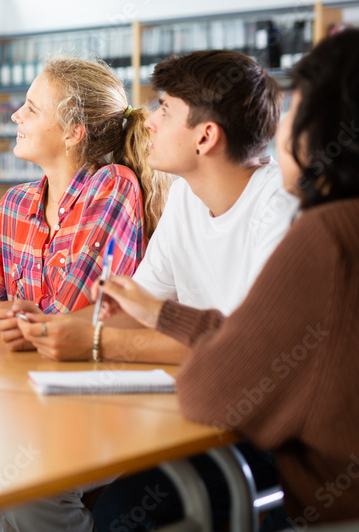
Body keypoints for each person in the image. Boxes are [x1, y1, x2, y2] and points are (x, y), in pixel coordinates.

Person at [93, 28, 359, 530]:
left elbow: (216, 388)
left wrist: (131, 335)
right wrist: (157, 319)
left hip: (316, 488)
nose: (277, 133)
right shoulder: (332, 227)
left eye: (293, 114)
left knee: (122, 508)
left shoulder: (323, 233)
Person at [20, 49, 296, 364]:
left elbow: (249, 345)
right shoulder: (184, 197)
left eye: (164, 110)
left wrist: (98, 343)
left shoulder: (280, 208)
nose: (149, 122)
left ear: (205, 137)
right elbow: (142, 311)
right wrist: (44, 326)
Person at [0, 58, 168, 339]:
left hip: (84, 375)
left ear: (72, 133)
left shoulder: (113, 186)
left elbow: (68, 317)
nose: (16, 115)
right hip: (19, 372)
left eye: (31, 108)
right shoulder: (14, 204)